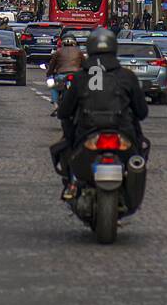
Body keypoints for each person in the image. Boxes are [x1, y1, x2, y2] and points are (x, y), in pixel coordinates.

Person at [55, 28, 148, 201]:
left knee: (65, 147)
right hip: (123, 132)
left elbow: (64, 111)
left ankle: (72, 184)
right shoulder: (127, 76)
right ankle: (132, 187)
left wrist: (70, 133)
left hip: (87, 132)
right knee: (140, 153)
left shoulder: (81, 77)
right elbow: (142, 112)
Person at [47, 35, 85, 104]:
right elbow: (85, 64)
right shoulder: (79, 51)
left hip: (61, 75)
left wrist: (49, 73)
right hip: (76, 75)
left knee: (54, 87)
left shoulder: (58, 51)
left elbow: (52, 65)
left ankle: (55, 104)